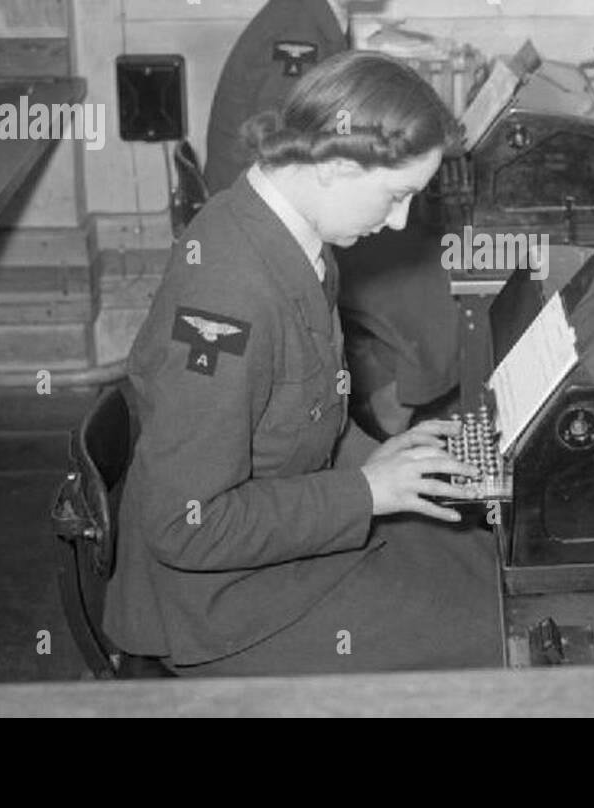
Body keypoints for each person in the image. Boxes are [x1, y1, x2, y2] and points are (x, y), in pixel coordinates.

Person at [104, 52, 504, 676]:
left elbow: (308, 415)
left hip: (279, 545)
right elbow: (186, 525)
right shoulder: (228, 301)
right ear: (337, 166)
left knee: (492, 570)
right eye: (397, 196)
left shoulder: (298, 235)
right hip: (220, 606)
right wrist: (367, 491)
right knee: (501, 641)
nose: (399, 222)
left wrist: (378, 459)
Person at [204, 0, 458, 440]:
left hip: (282, 213)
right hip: (264, 234)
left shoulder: (313, 14)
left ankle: (386, 408)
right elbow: (285, 158)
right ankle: (392, 424)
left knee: (427, 242)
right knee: (439, 275)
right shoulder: (297, 36)